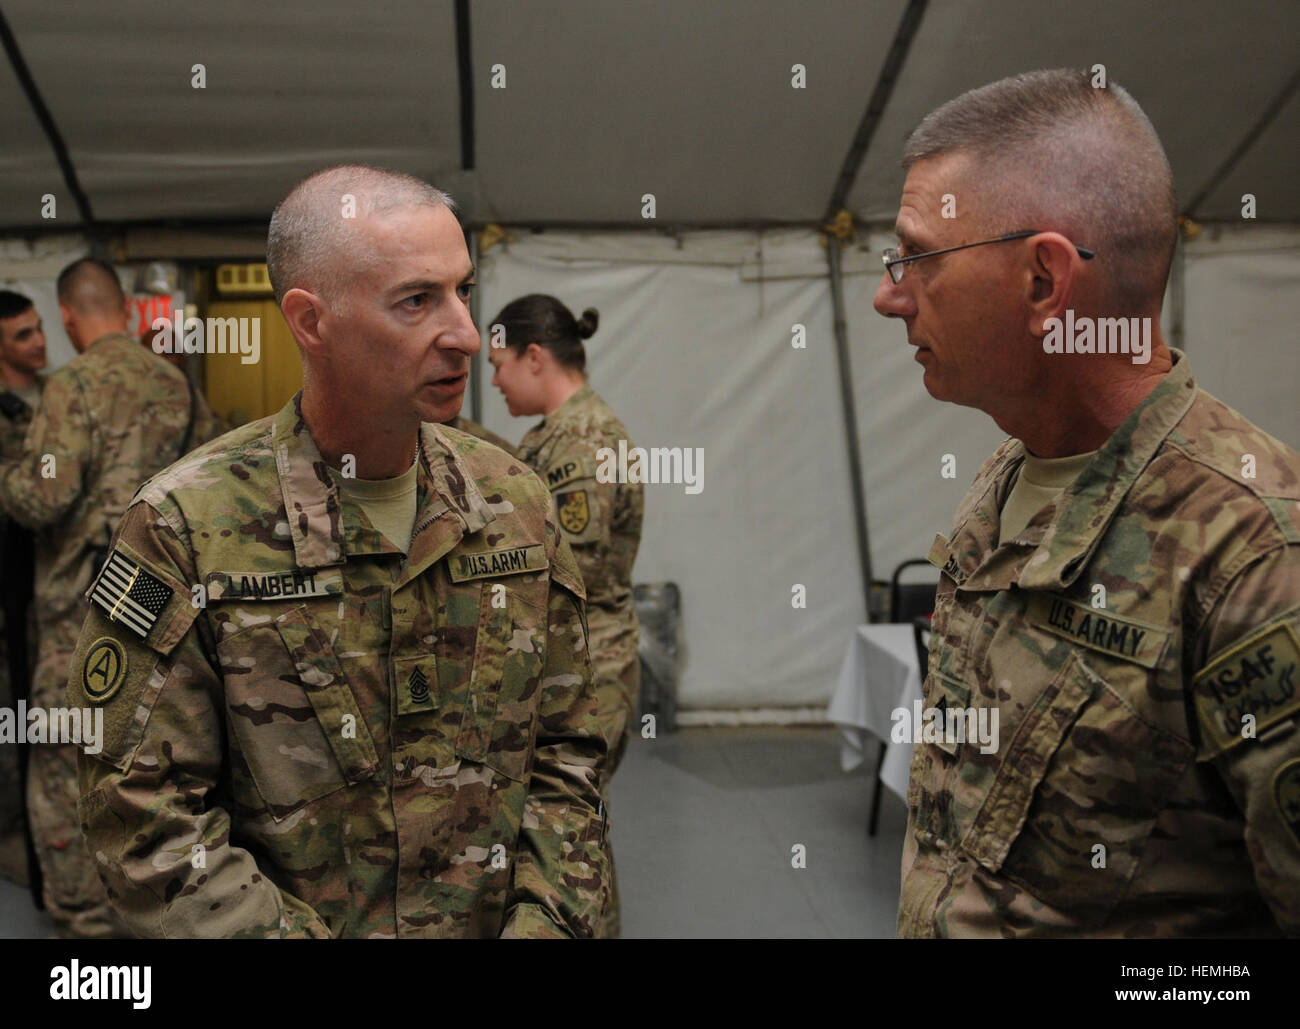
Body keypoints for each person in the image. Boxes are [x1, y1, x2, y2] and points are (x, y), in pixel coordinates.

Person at [69, 165, 610, 939]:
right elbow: (143, 821)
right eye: (418, 300)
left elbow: (569, 751)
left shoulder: (515, 504)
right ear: (312, 321)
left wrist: (545, 926)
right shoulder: (187, 527)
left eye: (462, 291)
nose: (464, 331)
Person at [874, 69, 1300, 937]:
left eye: (916, 256)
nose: (890, 294)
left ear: (1043, 282)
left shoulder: (1255, 559)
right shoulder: (1010, 478)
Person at [0, 259, 222, 937]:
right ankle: (151, 910)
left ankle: (85, 921)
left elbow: (44, 496)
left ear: (68, 318)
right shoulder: (177, 387)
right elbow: (211, 488)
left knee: (64, 766)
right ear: (124, 308)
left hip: (79, 614)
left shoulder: (70, 386)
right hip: (159, 607)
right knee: (146, 758)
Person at [487, 295, 643, 937]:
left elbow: (568, 573)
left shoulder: (580, 444)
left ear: (533, 356)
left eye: (499, 364)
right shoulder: (563, 433)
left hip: (589, 667)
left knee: (571, 833)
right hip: (587, 660)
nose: (493, 380)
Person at [0, 290, 46, 892]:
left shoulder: (57, 396)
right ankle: (13, 837)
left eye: (39, 331)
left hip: (48, 583)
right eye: (22, 336)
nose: (38, 344)